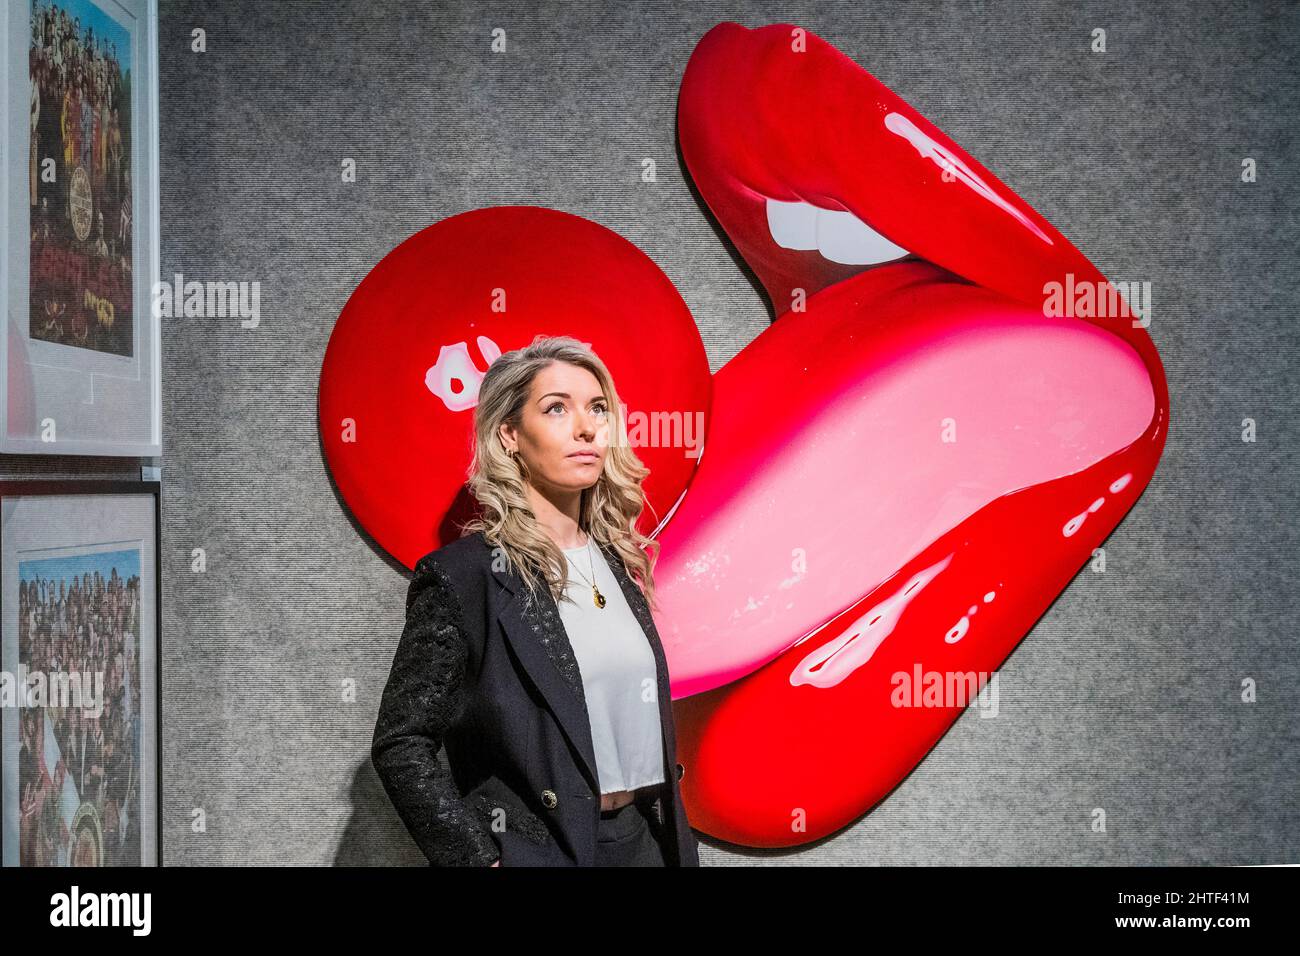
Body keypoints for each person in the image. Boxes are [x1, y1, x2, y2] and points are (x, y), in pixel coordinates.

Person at [372, 335, 699, 866]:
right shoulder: (464, 577)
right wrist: (482, 859)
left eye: (597, 408)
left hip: (645, 845)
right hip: (547, 851)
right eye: (556, 408)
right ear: (509, 436)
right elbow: (401, 743)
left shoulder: (617, 561)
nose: (587, 427)